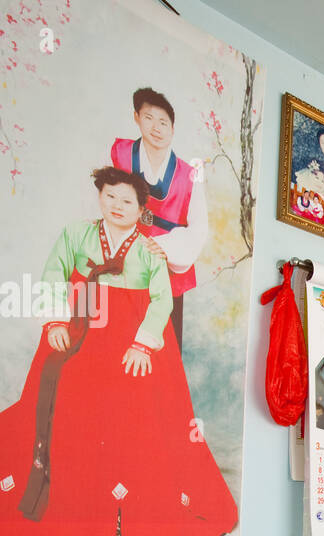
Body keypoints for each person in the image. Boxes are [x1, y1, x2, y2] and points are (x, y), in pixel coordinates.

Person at [0, 167, 238, 536]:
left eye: (127, 200)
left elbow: (161, 300)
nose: (117, 205)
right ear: (100, 196)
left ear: (141, 208)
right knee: (65, 398)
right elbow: (52, 275)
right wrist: (55, 323)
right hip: (80, 333)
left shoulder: (148, 248)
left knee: (137, 412)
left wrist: (143, 344)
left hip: (132, 342)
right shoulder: (77, 234)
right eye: (110, 196)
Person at [110, 87, 207, 354]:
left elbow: (200, 227)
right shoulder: (120, 153)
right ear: (136, 117)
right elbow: (105, 201)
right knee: (117, 340)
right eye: (149, 118)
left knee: (162, 349)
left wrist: (164, 247)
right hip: (124, 259)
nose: (156, 127)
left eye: (163, 122)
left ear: (173, 129)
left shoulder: (190, 174)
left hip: (167, 266)